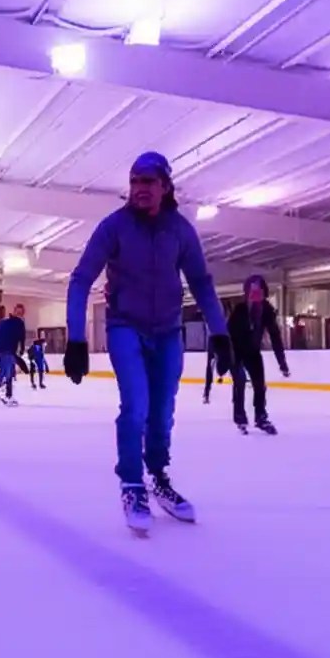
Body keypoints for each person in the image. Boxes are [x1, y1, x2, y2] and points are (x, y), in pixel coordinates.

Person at [63, 151, 232, 535]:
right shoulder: (114, 227)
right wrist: (75, 338)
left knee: (162, 412)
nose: (140, 189)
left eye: (148, 182)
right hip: (126, 327)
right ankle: (132, 483)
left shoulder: (180, 230)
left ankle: (158, 476)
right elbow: (81, 278)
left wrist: (220, 332)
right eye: (135, 182)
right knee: (136, 406)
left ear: (165, 186)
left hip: (168, 331)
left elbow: (202, 283)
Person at [226, 275, 289, 434]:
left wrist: (282, 363)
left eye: (259, 292)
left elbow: (275, 335)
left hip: (253, 352)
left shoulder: (266, 310)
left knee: (260, 385)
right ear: (247, 293)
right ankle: (239, 416)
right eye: (252, 292)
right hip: (236, 351)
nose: (255, 296)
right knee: (239, 382)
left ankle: (260, 416)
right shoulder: (239, 310)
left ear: (264, 293)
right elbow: (227, 334)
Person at [0, 303, 27, 405]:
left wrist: (21, 349)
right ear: (15, 310)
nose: (19, 313)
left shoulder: (10, 322)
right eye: (18, 311)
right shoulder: (7, 323)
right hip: (5, 350)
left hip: (8, 350)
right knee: (8, 373)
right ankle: (7, 395)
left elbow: (22, 338)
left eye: (21, 312)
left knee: (7, 372)